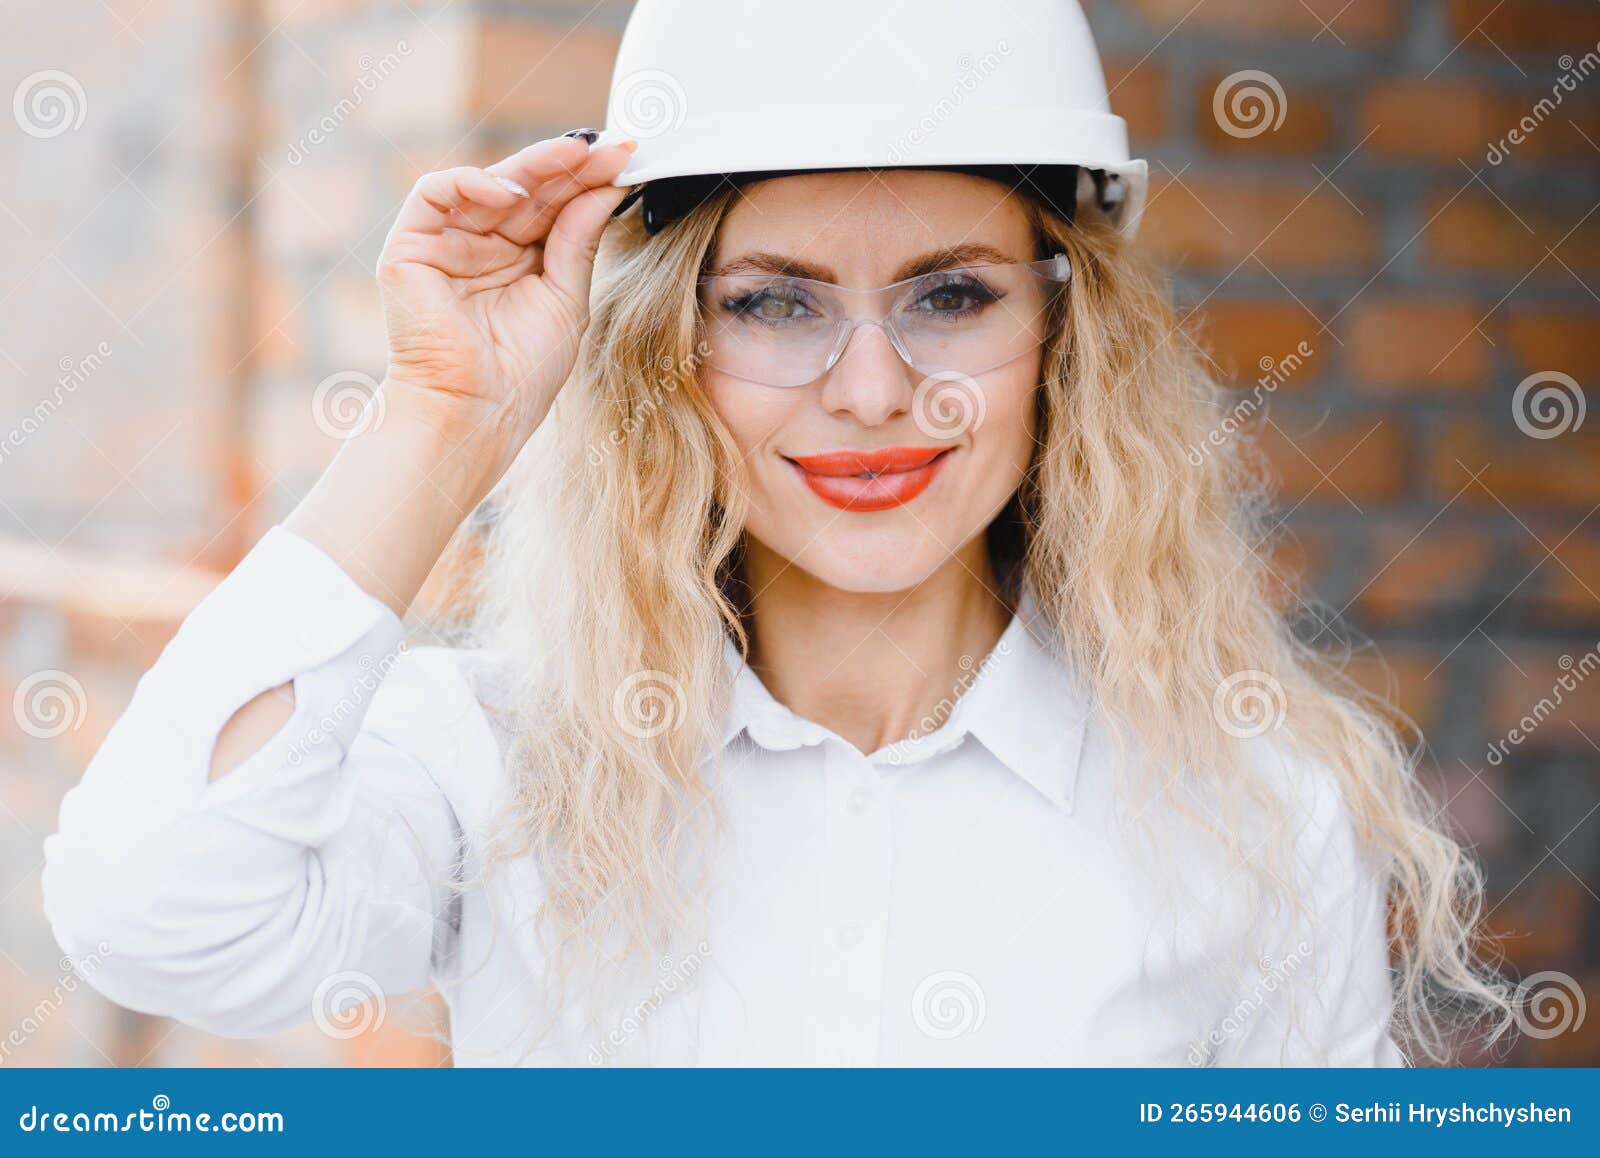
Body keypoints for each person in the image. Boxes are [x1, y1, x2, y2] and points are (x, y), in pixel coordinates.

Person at [43, 0, 1508, 1066]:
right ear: (668, 342)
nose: (872, 391)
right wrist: (442, 411)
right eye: (774, 301)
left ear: (1065, 338)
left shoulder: (1249, 813)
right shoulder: (496, 754)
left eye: (952, 293)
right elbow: (148, 909)